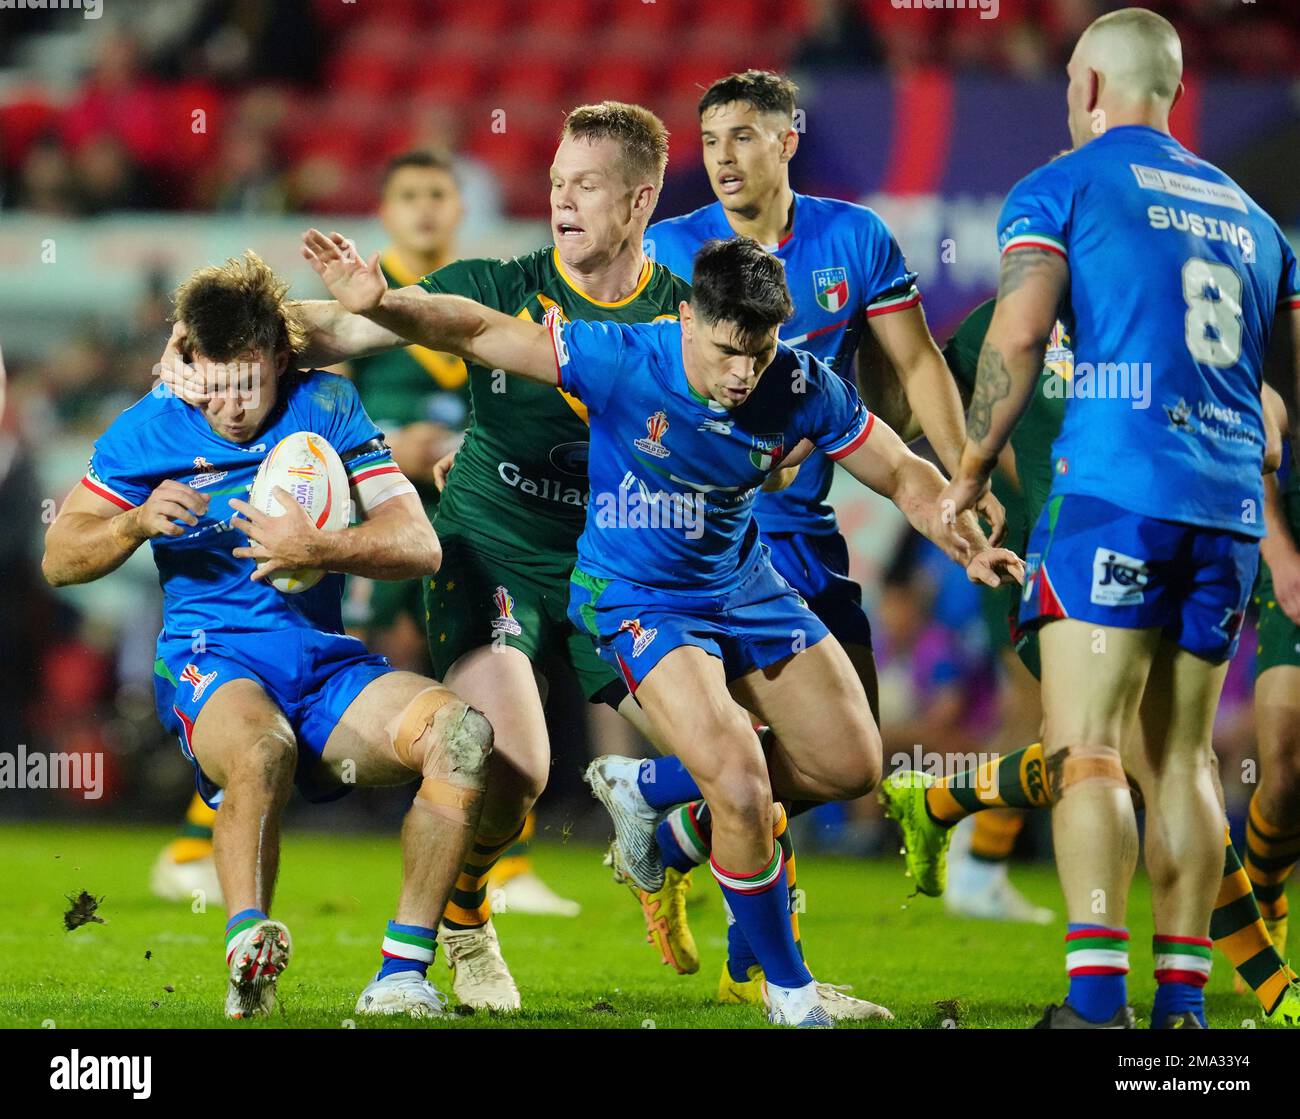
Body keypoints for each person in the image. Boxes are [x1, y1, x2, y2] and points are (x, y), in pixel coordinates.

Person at [303, 228, 1025, 1026]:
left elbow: (897, 466)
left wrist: (957, 531)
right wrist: (384, 303)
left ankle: (651, 792)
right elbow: (476, 328)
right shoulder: (619, 356)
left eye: (760, 349)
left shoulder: (799, 383)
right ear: (686, 319)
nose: (744, 372)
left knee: (850, 763)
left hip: (746, 588)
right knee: (743, 782)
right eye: (726, 351)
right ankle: (791, 994)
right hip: (642, 599)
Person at [583, 68, 1009, 1001]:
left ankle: (664, 808)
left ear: (789, 139)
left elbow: (916, 363)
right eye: (710, 142)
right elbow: (615, 385)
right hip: (695, 542)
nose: (725, 158)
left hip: (804, 534)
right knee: (740, 761)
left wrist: (960, 479)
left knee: (836, 760)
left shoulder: (853, 237)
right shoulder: (669, 254)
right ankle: (770, 977)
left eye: (743, 136)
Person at [938, 7, 1300, 1029]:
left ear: (1090, 86)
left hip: (1112, 496)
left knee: (1088, 745)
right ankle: (1181, 1007)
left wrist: (968, 470)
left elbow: (1013, 338)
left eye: (1067, 86)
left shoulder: (1064, 183)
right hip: (1223, 510)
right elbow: (1284, 406)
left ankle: (1095, 1007)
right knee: (1183, 758)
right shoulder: (1253, 217)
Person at [44, 252, 493, 1021]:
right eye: (213, 386)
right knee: (262, 748)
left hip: (324, 667)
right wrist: (133, 521)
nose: (229, 408)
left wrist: (319, 547)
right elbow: (59, 557)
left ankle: (402, 974)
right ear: (190, 368)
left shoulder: (328, 406)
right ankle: (249, 947)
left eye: (246, 384)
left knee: (462, 737)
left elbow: (419, 544)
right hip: (213, 662)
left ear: (281, 358)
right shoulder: (147, 429)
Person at [886, 300, 1300, 1024]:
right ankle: (1266, 985)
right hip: (1059, 572)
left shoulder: (1146, 307)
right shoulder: (1000, 324)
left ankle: (937, 801)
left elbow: (1252, 408)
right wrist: (979, 476)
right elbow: (910, 399)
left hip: (1153, 561)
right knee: (1167, 766)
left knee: (1124, 760)